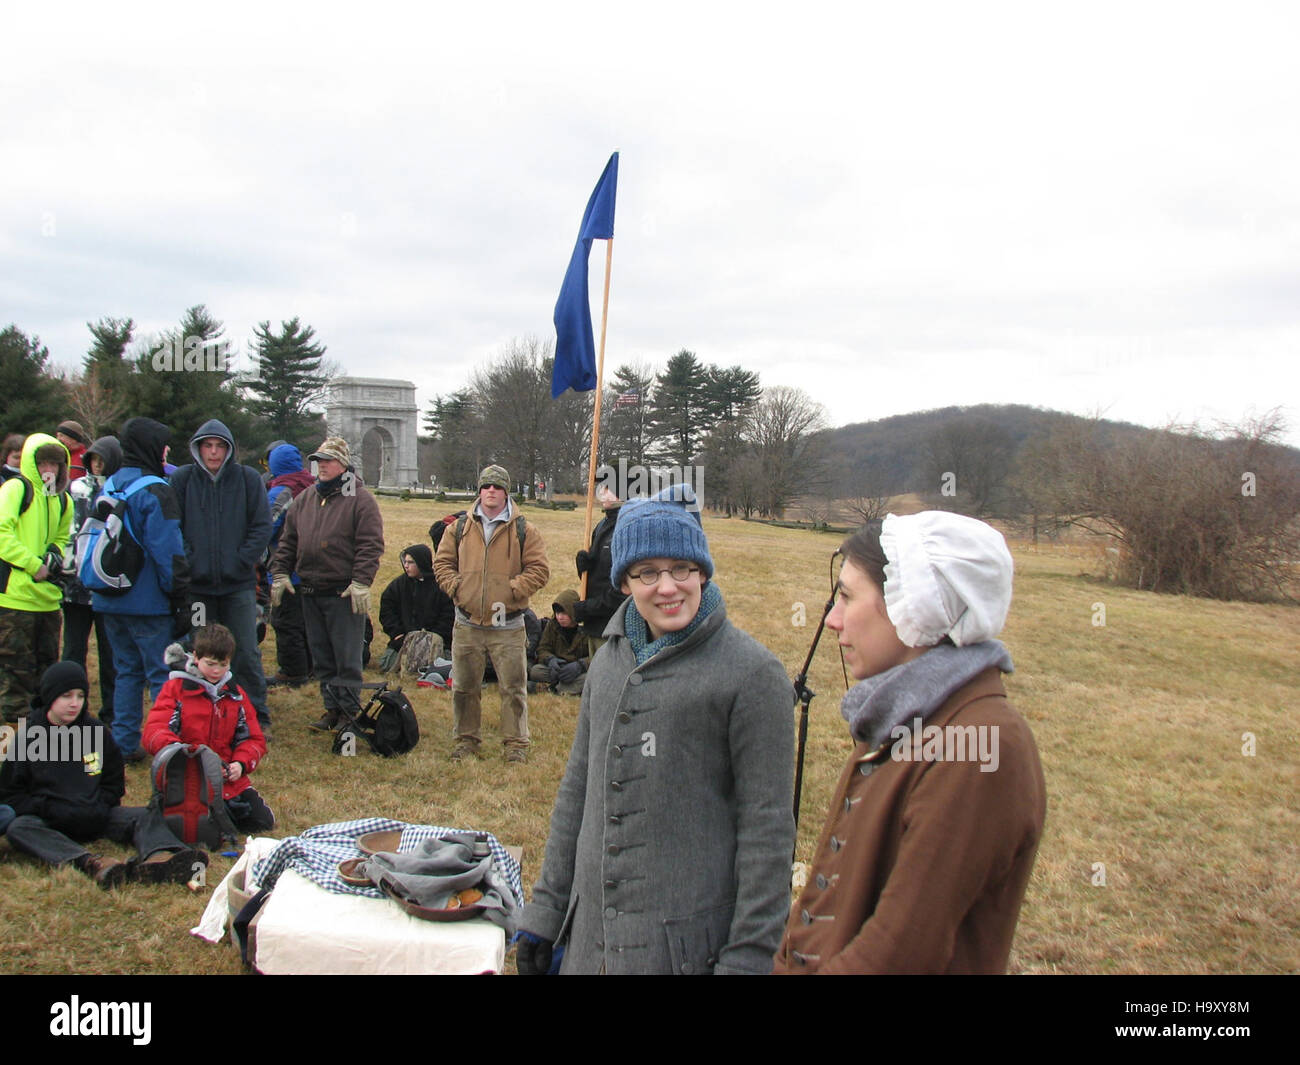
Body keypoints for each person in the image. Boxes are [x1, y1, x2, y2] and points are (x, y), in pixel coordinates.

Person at [516, 484, 794, 974]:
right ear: (624, 581)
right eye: (647, 572)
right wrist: (547, 909)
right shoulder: (607, 660)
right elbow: (577, 790)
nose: (668, 587)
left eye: (682, 568)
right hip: (590, 945)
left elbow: (767, 830)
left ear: (702, 571)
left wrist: (750, 957)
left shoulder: (753, 674)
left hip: (684, 951)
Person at [772, 513, 1047, 974]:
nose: (833, 620)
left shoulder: (982, 746)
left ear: (912, 606)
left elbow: (899, 954)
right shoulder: (905, 715)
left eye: (845, 597)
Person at [0, 661, 205, 888]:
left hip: (96, 815)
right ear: (50, 697)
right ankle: (91, 863)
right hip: (51, 821)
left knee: (147, 813)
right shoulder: (28, 737)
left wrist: (99, 806)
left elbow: (113, 782)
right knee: (19, 828)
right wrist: (48, 808)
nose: (74, 703)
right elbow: (11, 795)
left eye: (80, 696)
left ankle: (161, 857)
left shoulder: (97, 732)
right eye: (66, 696)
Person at [433, 464, 549, 764]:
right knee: (464, 688)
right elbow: (442, 563)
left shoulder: (525, 529)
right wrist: (457, 588)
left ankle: (516, 744)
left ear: (506, 492)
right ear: (479, 490)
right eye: (486, 487)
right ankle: (466, 740)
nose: (491, 492)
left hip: (508, 624)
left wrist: (513, 590)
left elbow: (539, 570)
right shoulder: (458, 528)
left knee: (513, 688)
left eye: (497, 487)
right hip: (467, 622)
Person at [269, 437, 383, 732]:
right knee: (322, 656)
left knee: (346, 657)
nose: (321, 466)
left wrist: (360, 581)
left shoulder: (360, 499)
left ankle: (349, 713)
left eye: (328, 460)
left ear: (343, 465)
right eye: (318, 460)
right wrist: (280, 572)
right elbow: (288, 541)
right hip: (309, 590)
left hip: (343, 593)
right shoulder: (305, 499)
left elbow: (370, 544)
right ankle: (331, 708)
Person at [92, 417, 189, 762]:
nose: (166, 452)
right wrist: (179, 596)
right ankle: (164, 742)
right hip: (147, 601)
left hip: (108, 596)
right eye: (163, 445)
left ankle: (124, 742)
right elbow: (169, 552)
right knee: (161, 674)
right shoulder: (156, 489)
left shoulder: (112, 483)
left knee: (126, 671)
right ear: (151, 446)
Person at [170, 420, 272, 733]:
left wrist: (241, 561)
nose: (213, 452)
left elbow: (261, 526)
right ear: (198, 448)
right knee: (200, 651)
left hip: (237, 586)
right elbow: (175, 526)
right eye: (207, 445)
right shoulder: (183, 480)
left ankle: (255, 717)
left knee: (244, 651)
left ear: (229, 448)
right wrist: (192, 562)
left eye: (219, 446)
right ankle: (199, 717)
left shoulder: (247, 479)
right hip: (198, 588)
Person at [145, 623, 273, 834]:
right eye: (210, 664)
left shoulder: (236, 694)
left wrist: (240, 764)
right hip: (186, 780)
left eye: (223, 665)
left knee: (262, 822)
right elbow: (154, 734)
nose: (216, 671)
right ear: (195, 657)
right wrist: (190, 757)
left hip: (230, 783)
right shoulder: (175, 689)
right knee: (203, 830)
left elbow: (254, 739)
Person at [0, 433, 72, 724]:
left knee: (47, 682)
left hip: (48, 603)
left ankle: (39, 757)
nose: (49, 470)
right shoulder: (16, 489)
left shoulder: (62, 499)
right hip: (14, 602)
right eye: (43, 462)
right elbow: (2, 533)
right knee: (13, 684)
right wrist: (33, 565)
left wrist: (55, 555)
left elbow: (63, 536)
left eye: (56, 464)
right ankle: (9, 759)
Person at [61, 436, 122, 720]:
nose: (97, 465)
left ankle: (110, 712)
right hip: (75, 585)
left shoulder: (120, 490)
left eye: (103, 459)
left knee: (111, 655)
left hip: (107, 585)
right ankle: (72, 711)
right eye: (94, 459)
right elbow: (67, 530)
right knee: (74, 651)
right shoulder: (75, 489)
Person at [263, 443, 315, 688]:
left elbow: (266, 528)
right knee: (307, 621)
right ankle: (311, 665)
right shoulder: (314, 487)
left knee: (285, 622)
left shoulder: (281, 492)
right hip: (314, 566)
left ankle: (292, 671)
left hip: (286, 567)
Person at [378, 544, 454, 666]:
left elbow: (449, 615)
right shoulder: (399, 585)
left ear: (421, 562)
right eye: (405, 562)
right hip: (404, 640)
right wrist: (397, 633)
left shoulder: (440, 585)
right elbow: (387, 609)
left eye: (411, 562)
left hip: (436, 640)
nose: (406, 566)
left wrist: (433, 636)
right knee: (386, 664)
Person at [572, 483, 626, 652]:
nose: (602, 492)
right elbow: (599, 576)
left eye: (608, 487)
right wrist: (584, 568)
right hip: (594, 627)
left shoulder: (627, 526)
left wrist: (590, 607)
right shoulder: (603, 524)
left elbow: (624, 590)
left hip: (616, 630)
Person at [528, 590, 589, 695]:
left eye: (564, 613)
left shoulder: (586, 628)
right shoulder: (552, 625)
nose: (560, 617)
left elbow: (596, 655)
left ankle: (554, 688)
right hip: (558, 669)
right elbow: (543, 648)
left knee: (589, 678)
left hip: (578, 671)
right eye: (557, 613)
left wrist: (580, 665)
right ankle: (565, 688)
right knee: (535, 671)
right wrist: (551, 660)